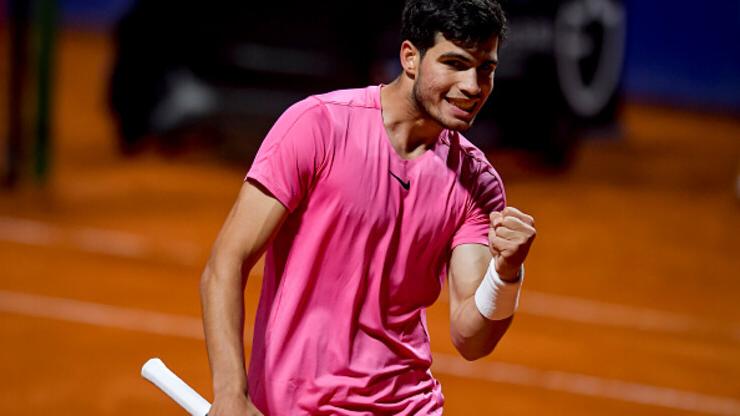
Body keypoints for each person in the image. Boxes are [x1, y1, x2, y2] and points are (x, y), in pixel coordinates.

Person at [200, 0, 536, 414]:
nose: (472, 85)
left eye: (486, 68)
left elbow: (472, 339)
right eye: (455, 63)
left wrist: (506, 275)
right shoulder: (318, 126)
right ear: (410, 57)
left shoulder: (477, 183)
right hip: (296, 404)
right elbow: (226, 264)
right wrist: (231, 394)